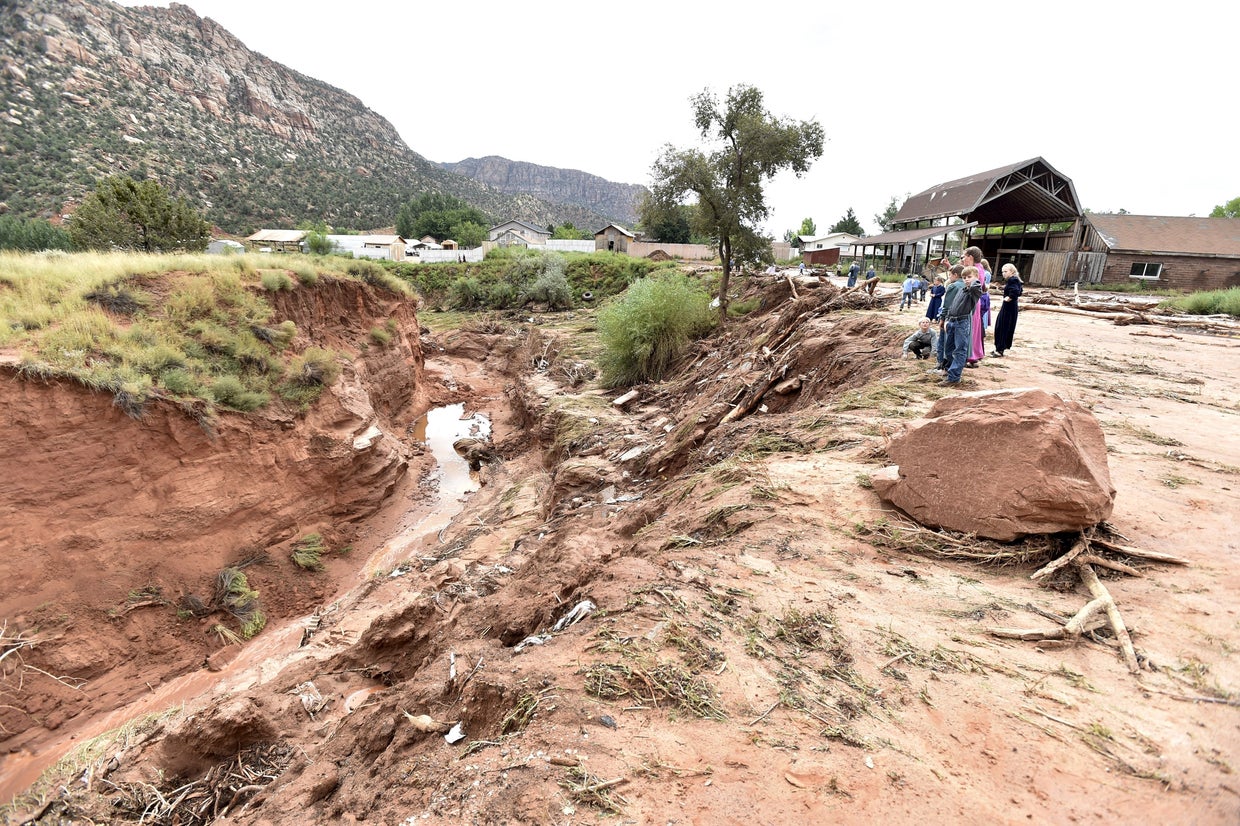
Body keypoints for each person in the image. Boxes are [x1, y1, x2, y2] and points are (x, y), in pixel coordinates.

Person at [940, 266, 983, 386]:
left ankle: (954, 378)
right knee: (949, 349)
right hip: (952, 321)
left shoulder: (974, 291)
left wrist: (975, 280)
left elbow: (976, 287)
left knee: (960, 350)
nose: (966, 280)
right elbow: (952, 306)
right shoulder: (962, 290)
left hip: (962, 322)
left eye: (969, 277)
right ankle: (949, 372)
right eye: (964, 277)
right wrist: (947, 319)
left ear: (976, 278)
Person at [933, 265, 964, 370]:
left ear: (955, 275)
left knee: (943, 341)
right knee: (957, 346)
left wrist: (942, 319)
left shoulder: (953, 286)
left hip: (949, 318)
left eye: (950, 275)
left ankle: (941, 365)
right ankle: (951, 368)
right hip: (963, 319)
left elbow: (947, 305)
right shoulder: (968, 285)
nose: (949, 277)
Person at [992, 263, 1024, 356]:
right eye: (1002, 272)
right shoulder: (1015, 280)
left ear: (1012, 271)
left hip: (1009, 306)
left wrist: (1009, 298)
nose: (1003, 273)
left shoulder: (1013, 280)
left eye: (1006, 271)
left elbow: (1016, 291)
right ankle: (1000, 348)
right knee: (1004, 326)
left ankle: (1000, 349)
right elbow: (1020, 291)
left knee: (1002, 326)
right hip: (1011, 306)